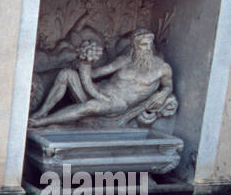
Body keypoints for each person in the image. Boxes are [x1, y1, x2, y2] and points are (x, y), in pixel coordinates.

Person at [29, 30, 174, 128]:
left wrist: (164, 93)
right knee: (66, 73)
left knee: (90, 106)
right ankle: (42, 112)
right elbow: (95, 74)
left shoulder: (162, 68)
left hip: (118, 104)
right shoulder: (124, 61)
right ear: (134, 46)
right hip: (98, 91)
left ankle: (42, 122)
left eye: (149, 44)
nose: (147, 48)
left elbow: (168, 86)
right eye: (143, 45)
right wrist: (85, 62)